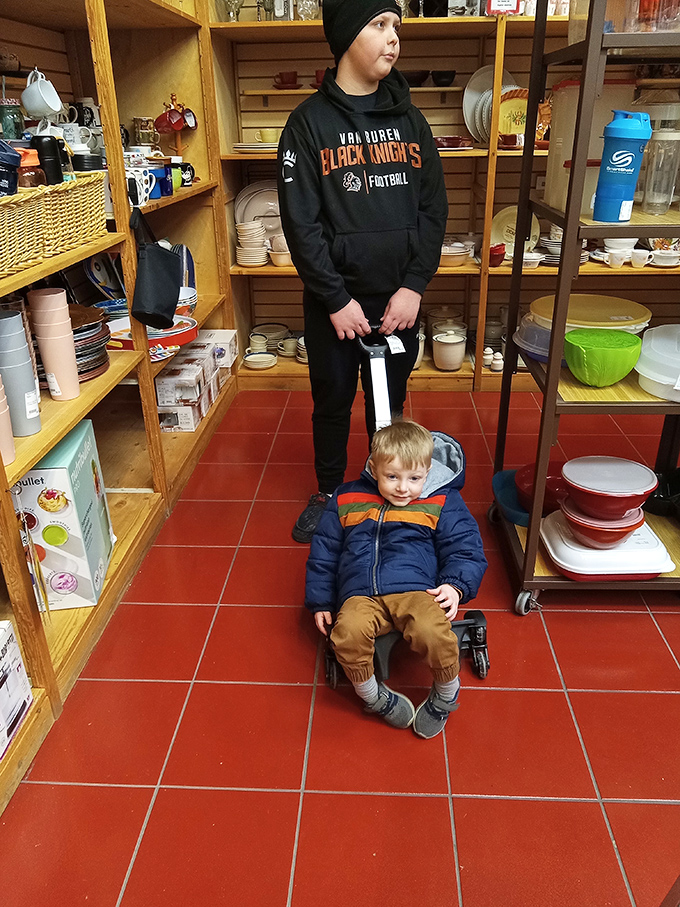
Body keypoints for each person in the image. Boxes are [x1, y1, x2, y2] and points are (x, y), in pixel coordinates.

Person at [277, 0, 448, 543]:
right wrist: (333, 298)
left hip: (398, 302)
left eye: (396, 25)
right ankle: (329, 492)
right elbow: (300, 224)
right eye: (379, 24)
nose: (393, 37)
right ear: (348, 34)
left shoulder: (411, 120)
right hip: (335, 304)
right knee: (330, 399)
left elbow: (433, 210)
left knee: (388, 407)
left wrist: (414, 286)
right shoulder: (307, 124)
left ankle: (385, 493)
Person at [305, 421, 487, 739]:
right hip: (359, 592)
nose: (403, 488)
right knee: (346, 633)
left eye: (414, 478)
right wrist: (321, 599)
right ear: (374, 468)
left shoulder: (442, 502)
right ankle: (373, 697)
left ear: (427, 472)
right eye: (392, 477)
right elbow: (325, 553)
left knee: (434, 631)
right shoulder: (347, 499)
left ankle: (447, 694)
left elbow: (465, 547)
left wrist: (455, 585)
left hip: (416, 589)